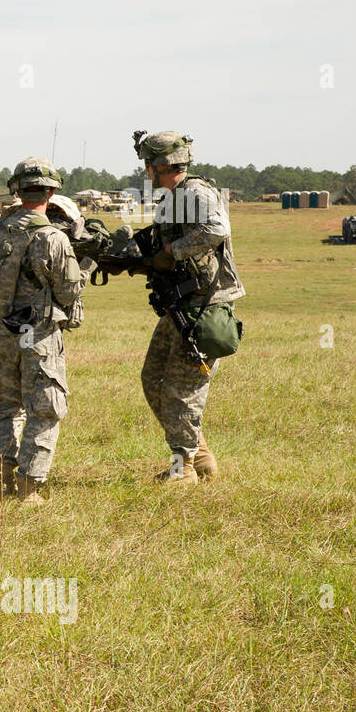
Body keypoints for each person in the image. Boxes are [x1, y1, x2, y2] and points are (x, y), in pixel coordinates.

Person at [0, 158, 89, 506]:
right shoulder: (53, 237)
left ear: (17, 191)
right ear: (50, 193)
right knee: (44, 408)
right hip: (39, 336)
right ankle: (29, 490)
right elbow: (68, 291)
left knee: (5, 407)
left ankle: (3, 478)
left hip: (2, 333)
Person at [131, 131, 245, 483]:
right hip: (181, 305)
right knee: (154, 378)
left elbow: (216, 229)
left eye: (147, 165)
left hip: (203, 307)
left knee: (181, 391)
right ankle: (201, 456)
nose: (145, 172)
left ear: (157, 165)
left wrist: (171, 252)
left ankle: (183, 470)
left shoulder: (194, 192)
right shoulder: (174, 196)